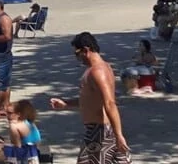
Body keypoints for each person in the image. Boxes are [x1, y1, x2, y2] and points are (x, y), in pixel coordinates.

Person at [50, 32, 130, 164]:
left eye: (76, 54)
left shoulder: (98, 71)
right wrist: (66, 104)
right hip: (99, 131)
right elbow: (90, 100)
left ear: (86, 50)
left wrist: (118, 135)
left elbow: (110, 103)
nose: (77, 58)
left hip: (100, 132)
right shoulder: (98, 69)